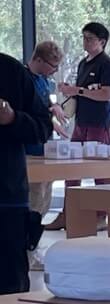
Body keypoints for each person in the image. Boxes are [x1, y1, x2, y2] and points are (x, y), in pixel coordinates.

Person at [46, 22, 110, 232]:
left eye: (90, 38)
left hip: (98, 123)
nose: (85, 41)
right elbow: (79, 91)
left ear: (102, 42)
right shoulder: (83, 64)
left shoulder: (107, 64)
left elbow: (107, 94)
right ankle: (68, 213)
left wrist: (78, 91)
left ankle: (101, 215)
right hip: (81, 122)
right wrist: (69, 93)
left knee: (100, 172)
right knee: (72, 169)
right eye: (84, 37)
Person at [0, 52, 52, 294]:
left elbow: (43, 129)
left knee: (11, 292)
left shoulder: (10, 71)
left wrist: (12, 118)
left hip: (6, 202)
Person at [22, 43, 68, 247]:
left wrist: (54, 112)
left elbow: (45, 108)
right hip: (28, 149)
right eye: (52, 66)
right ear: (38, 60)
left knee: (44, 200)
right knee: (32, 199)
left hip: (45, 147)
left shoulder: (45, 83)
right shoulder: (21, 80)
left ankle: (34, 245)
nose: (54, 71)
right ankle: (27, 250)